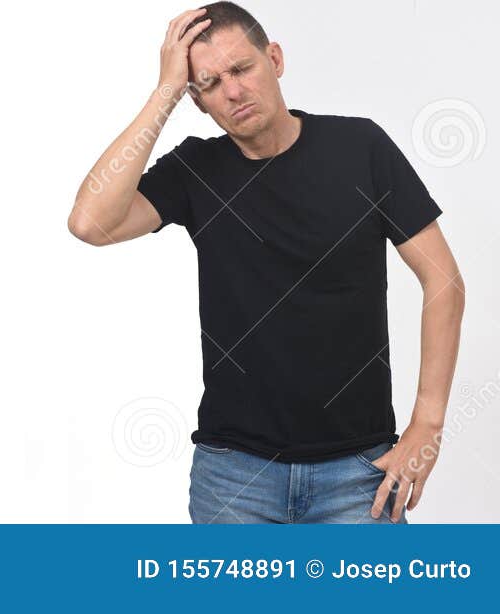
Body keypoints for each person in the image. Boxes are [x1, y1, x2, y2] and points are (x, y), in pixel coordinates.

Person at [68, 2, 463, 523]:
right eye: (209, 84)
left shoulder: (360, 147)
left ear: (273, 58)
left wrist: (427, 425)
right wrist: (165, 92)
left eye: (241, 69)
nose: (232, 92)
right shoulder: (194, 170)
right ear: (198, 100)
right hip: (233, 476)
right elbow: (89, 222)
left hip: (359, 471)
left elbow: (444, 281)